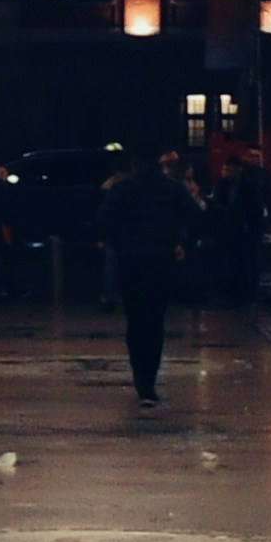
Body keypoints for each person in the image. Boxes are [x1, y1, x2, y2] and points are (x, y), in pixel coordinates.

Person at [99, 149, 203, 404]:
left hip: (131, 259)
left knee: (135, 320)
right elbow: (195, 216)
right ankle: (149, 380)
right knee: (155, 321)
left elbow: (103, 221)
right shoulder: (171, 189)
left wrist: (119, 243)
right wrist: (181, 242)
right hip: (160, 259)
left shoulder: (122, 190)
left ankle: (140, 375)